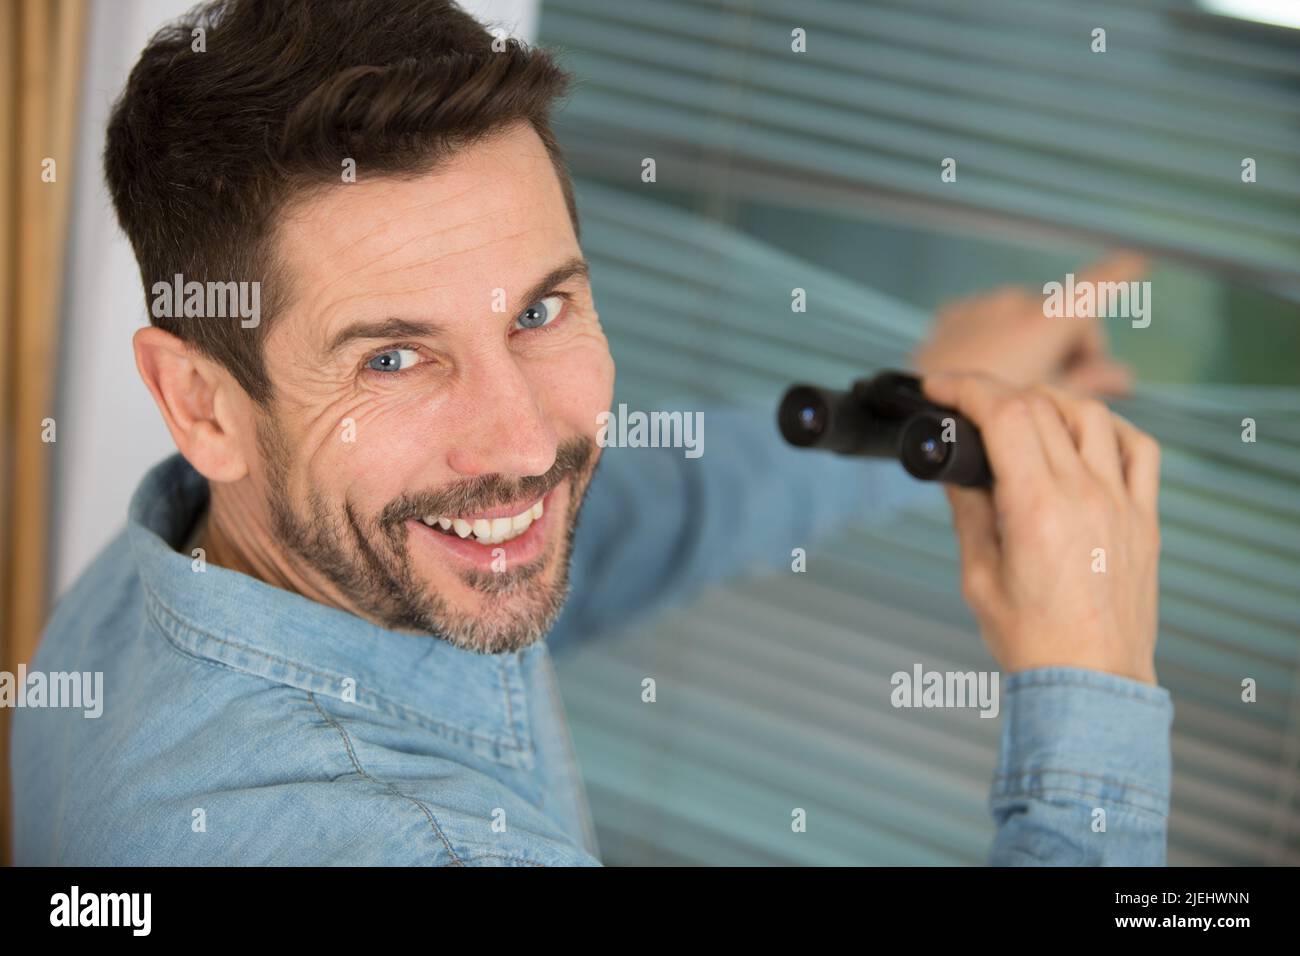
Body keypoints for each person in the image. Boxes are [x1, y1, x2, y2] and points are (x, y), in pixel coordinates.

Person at [11, 0, 1168, 866]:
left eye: (539, 309)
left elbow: (642, 520)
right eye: (394, 357)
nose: (520, 440)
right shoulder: (404, 842)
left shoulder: (193, 560)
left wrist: (923, 400)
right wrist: (1091, 686)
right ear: (202, 401)